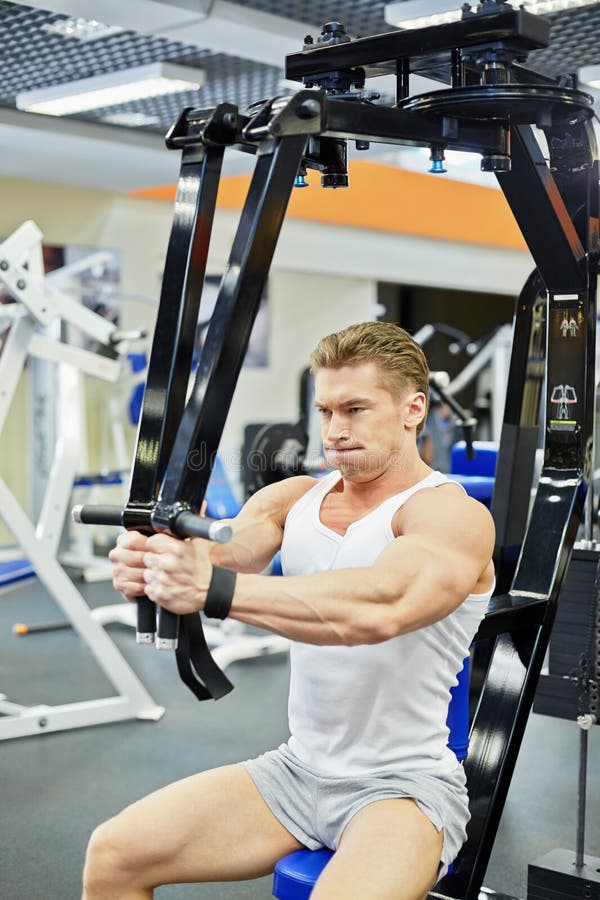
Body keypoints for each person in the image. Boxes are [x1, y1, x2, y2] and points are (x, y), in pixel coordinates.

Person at [82, 321, 495, 900]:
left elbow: (382, 607)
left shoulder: (449, 515)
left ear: (413, 410)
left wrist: (212, 590)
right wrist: (156, 559)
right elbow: (224, 547)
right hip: (295, 773)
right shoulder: (294, 497)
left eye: (355, 409)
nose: (335, 430)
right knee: (113, 853)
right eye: (325, 411)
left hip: (402, 789)